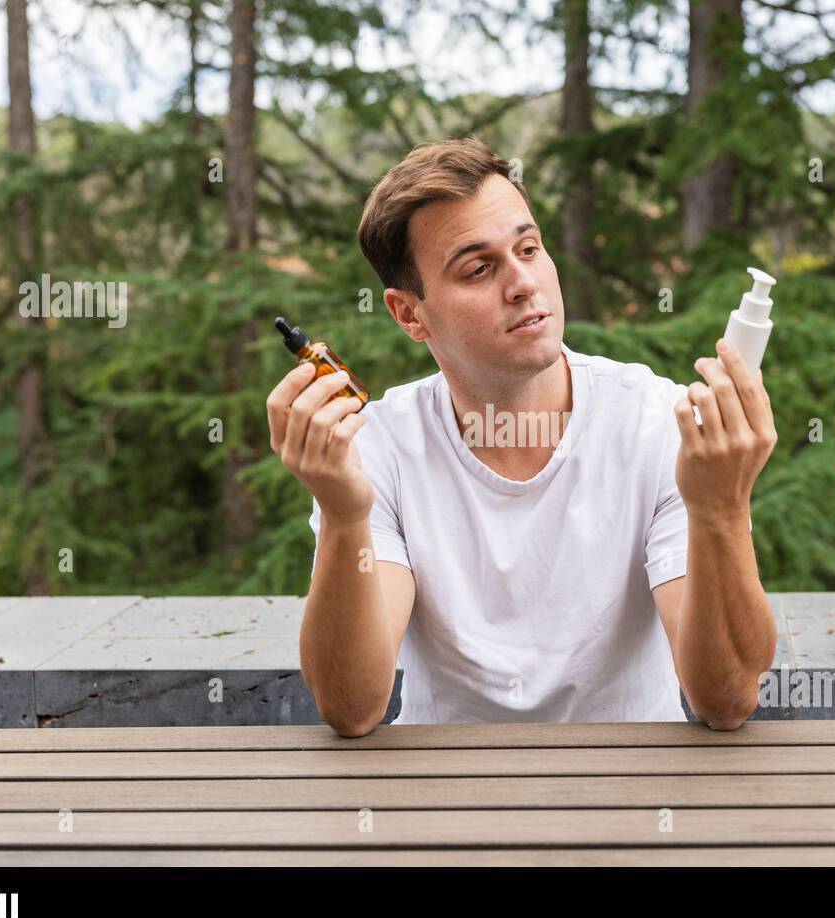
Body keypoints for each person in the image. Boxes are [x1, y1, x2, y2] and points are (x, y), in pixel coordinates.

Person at [265, 135, 778, 736]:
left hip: (635, 791)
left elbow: (727, 698)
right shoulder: (381, 447)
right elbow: (352, 709)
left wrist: (720, 509)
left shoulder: (654, 422)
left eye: (529, 249)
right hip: (449, 796)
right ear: (410, 314)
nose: (523, 283)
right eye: (478, 268)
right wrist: (343, 513)